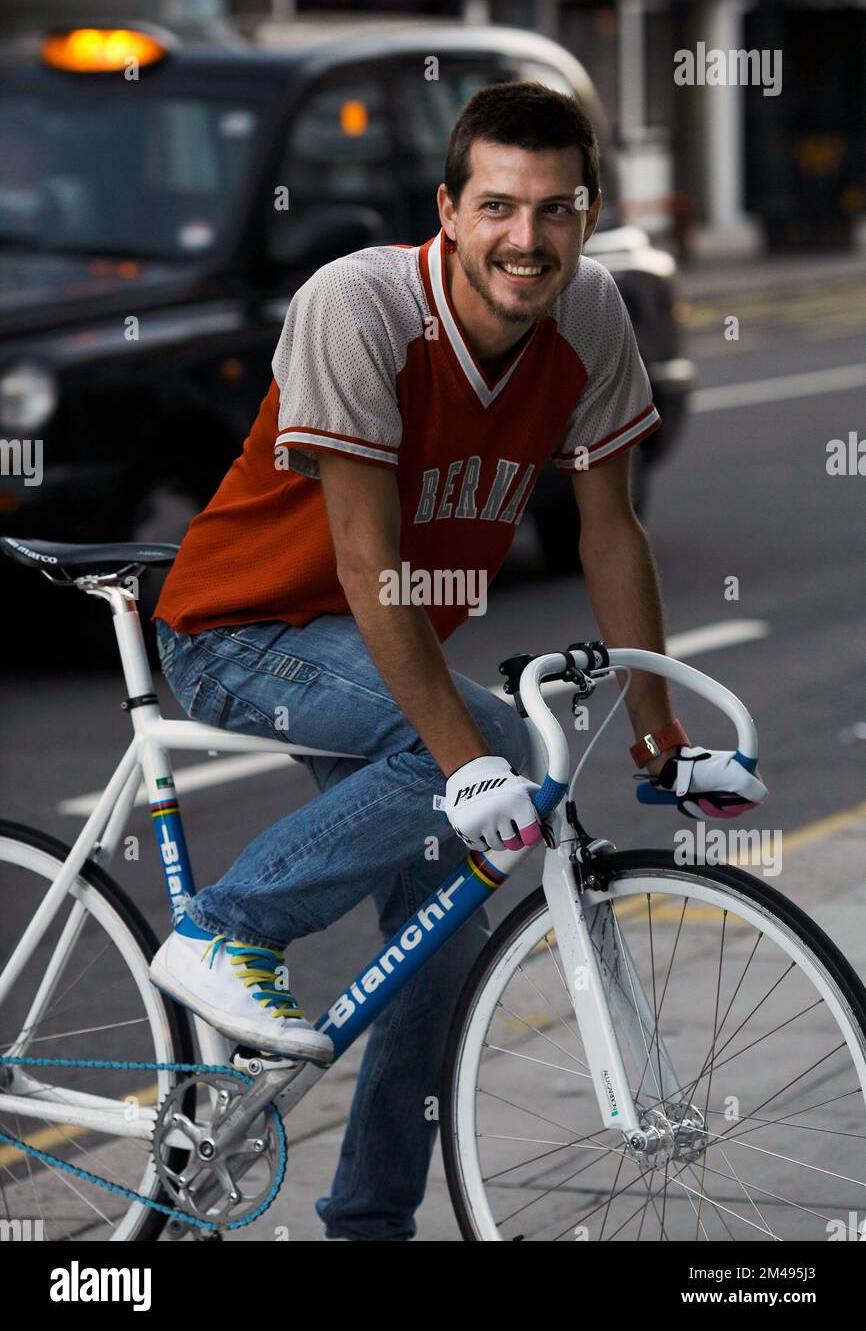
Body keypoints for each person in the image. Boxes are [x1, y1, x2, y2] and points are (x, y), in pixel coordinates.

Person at [148, 80, 766, 1240]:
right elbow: (364, 561)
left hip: (373, 652)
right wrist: (462, 754)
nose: (522, 240)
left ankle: (368, 1222)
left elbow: (607, 531)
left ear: (587, 217)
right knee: (481, 741)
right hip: (238, 634)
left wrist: (656, 736)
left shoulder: (588, 320)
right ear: (446, 207)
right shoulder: (361, 306)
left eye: (553, 211)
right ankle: (226, 927)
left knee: (444, 927)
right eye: (495, 207)